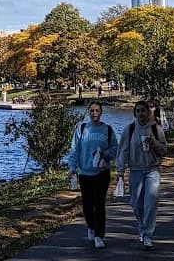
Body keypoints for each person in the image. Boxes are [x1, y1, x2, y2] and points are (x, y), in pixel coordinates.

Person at [116, 100, 168, 250]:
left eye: (143, 110)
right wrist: (120, 170)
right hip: (135, 171)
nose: (140, 114)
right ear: (135, 113)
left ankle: (147, 235)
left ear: (148, 112)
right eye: (138, 111)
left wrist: (153, 143)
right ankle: (142, 226)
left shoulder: (156, 128)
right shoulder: (130, 129)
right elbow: (123, 151)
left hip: (152, 170)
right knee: (136, 204)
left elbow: (164, 150)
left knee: (150, 204)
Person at [67, 100, 119, 249]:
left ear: (101, 112)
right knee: (88, 205)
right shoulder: (82, 129)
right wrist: (72, 168)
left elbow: (115, 148)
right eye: (92, 111)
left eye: (97, 110)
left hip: (102, 173)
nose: (94, 113)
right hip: (85, 173)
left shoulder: (107, 130)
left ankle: (99, 235)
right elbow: (74, 149)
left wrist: (104, 154)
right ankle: (91, 226)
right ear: (88, 112)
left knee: (99, 204)